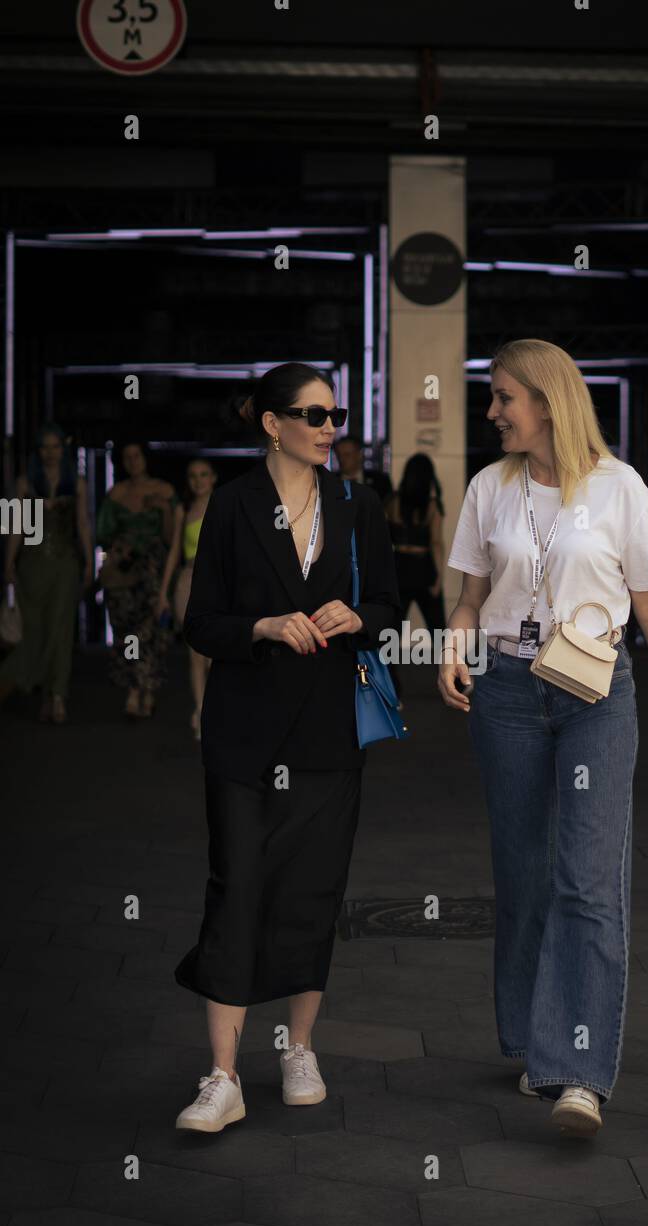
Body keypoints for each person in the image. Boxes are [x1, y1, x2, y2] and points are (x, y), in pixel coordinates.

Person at [438, 338, 648, 1140]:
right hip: (510, 693)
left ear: (548, 402)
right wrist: (455, 647)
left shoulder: (621, 489)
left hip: (596, 693)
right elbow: (467, 598)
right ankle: (530, 1040)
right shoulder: (490, 487)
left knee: (587, 878)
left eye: (502, 398)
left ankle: (579, 1072)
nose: (491, 413)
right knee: (522, 874)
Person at [174, 362, 400, 1134]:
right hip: (243, 733)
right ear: (272, 423)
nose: (329, 426)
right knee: (237, 887)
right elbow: (200, 624)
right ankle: (223, 1075)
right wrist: (264, 627)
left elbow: (392, 608)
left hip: (330, 730)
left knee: (312, 890)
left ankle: (299, 1049)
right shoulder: (232, 506)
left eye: (334, 414)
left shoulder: (356, 503)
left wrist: (356, 615)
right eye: (312, 414)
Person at [0, 424, 92, 723]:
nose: (50, 452)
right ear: (38, 451)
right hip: (32, 562)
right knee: (34, 628)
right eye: (44, 447)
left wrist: (90, 561)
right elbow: (16, 525)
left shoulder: (76, 482)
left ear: (61, 450)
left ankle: (57, 696)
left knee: (61, 627)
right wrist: (9, 562)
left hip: (65, 561)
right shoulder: (25, 482)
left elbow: (82, 524)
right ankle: (38, 688)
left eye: (54, 446)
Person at [94, 441, 179, 719]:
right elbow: (102, 534)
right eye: (127, 457)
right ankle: (134, 688)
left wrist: (163, 509)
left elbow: (171, 538)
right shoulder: (116, 494)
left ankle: (146, 689)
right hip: (123, 568)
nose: (132, 461)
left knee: (152, 630)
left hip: (154, 570)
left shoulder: (164, 490)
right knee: (125, 630)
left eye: (137, 455)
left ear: (146, 457)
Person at [156, 457, 217, 739]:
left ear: (213, 478)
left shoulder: (225, 505)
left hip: (219, 582)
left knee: (215, 655)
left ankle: (216, 711)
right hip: (188, 581)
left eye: (203, 475)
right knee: (196, 654)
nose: (198, 480)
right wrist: (163, 592)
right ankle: (202, 710)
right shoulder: (184, 509)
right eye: (193, 475)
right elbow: (173, 554)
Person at [384, 452, 445, 700]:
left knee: (390, 633)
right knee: (439, 630)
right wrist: (439, 580)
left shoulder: (393, 501)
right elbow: (437, 543)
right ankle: (456, 682)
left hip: (398, 567)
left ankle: (392, 689)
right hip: (423, 567)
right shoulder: (432, 505)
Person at [333, 433, 393, 505]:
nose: (341, 459)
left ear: (359, 454)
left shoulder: (380, 481)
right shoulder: (329, 482)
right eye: (339, 455)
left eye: (347, 455)